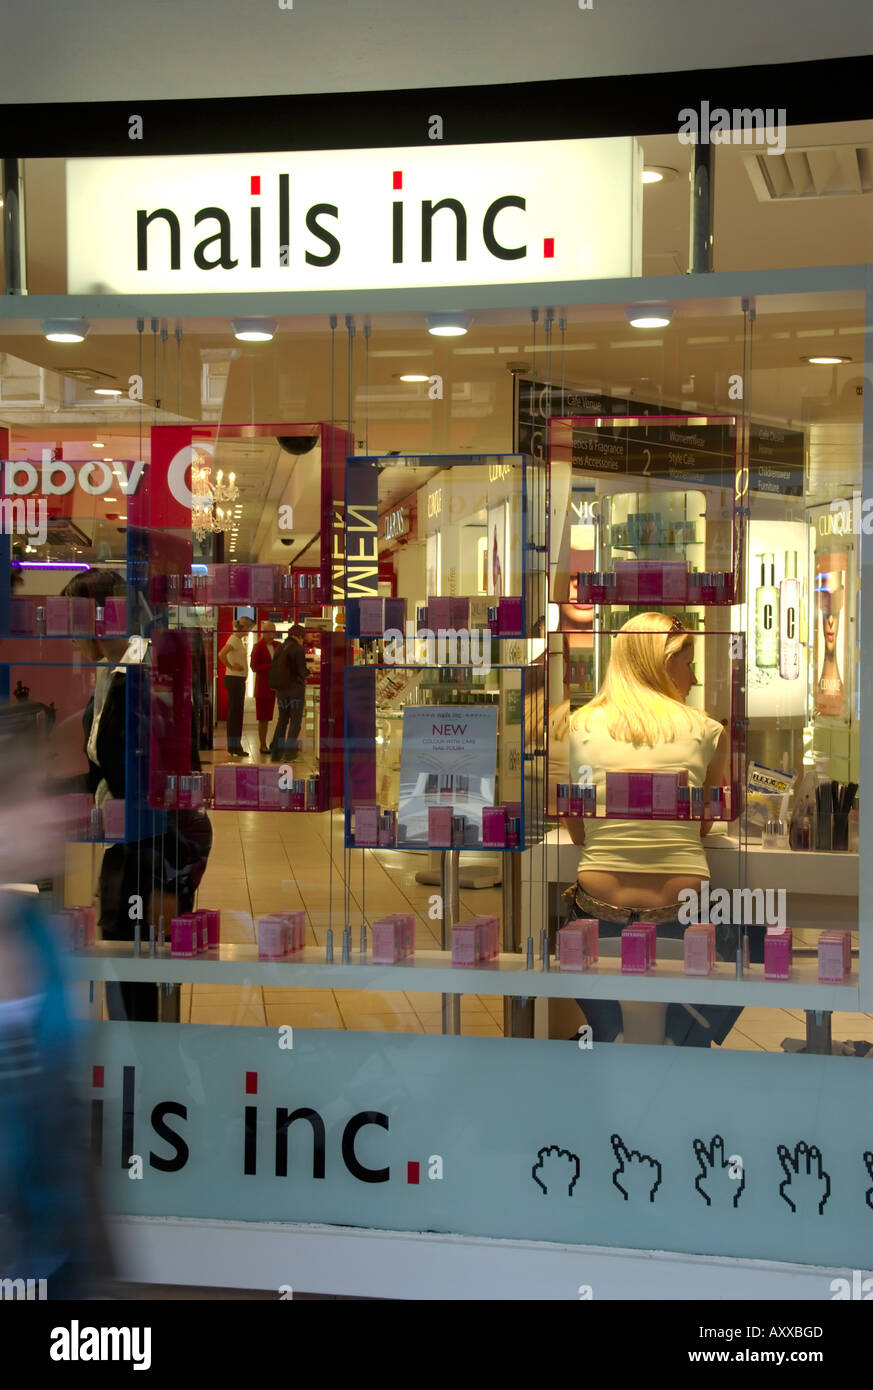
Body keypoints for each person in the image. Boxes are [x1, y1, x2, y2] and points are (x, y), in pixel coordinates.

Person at [565, 611, 741, 1047]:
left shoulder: (580, 725)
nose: (695, 678)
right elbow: (702, 824)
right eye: (689, 663)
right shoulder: (706, 729)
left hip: (597, 914)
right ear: (661, 663)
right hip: (682, 917)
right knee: (748, 940)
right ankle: (683, 1045)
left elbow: (578, 832)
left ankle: (613, 1041)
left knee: (617, 1030)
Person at [61, 568, 213, 1023]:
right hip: (131, 843)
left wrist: (168, 878)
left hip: (155, 848)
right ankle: (145, 1079)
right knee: (128, 976)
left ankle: (152, 1084)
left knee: (139, 985)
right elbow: (106, 765)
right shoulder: (112, 675)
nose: (69, 638)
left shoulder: (142, 676)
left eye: (75, 623)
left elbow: (160, 775)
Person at [269, 623, 309, 763]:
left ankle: (276, 753)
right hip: (295, 691)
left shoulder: (280, 647)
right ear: (298, 636)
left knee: (282, 720)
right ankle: (290, 753)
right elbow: (301, 671)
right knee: (295, 722)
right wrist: (308, 671)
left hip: (281, 691)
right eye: (302, 637)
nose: (303, 640)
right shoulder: (298, 649)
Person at [218, 615, 254, 758]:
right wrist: (231, 666)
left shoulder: (238, 640)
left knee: (236, 714)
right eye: (250, 628)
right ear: (244, 627)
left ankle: (235, 746)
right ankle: (234, 746)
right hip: (234, 680)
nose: (250, 631)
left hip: (237, 680)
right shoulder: (234, 639)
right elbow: (221, 654)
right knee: (235, 715)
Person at [249, 619, 279, 755]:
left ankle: (273, 743)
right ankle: (262, 745)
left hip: (276, 687)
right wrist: (271, 666)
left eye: (273, 631)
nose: (272, 634)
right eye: (269, 631)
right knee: (263, 718)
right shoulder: (258, 647)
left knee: (272, 717)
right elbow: (254, 666)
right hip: (263, 688)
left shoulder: (278, 646)